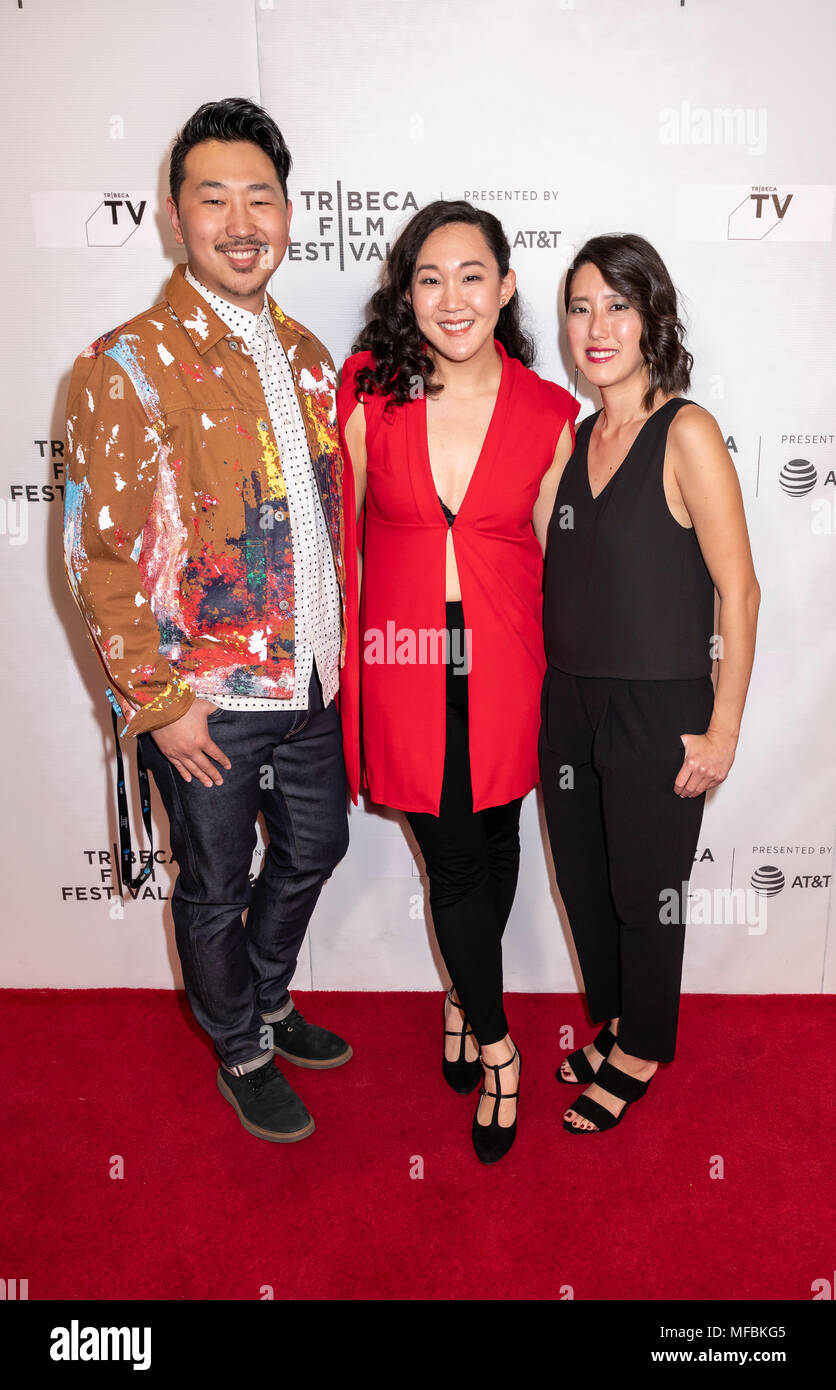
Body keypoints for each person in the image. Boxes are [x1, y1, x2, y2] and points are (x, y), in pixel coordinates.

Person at [63, 98, 360, 1145]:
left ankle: (267, 995)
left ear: (286, 211)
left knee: (316, 846)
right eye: (214, 198)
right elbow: (96, 557)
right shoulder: (127, 364)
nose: (242, 222)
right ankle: (239, 1044)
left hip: (311, 681)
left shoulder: (312, 356)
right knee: (212, 884)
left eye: (261, 197)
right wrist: (159, 702)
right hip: (207, 702)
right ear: (174, 215)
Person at [337, 200, 578, 1163]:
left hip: (509, 658)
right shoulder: (368, 391)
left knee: (499, 832)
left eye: (471, 275)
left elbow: (560, 560)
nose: (451, 297)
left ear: (506, 287)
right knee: (457, 859)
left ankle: (458, 998)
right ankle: (500, 1045)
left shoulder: (550, 414)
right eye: (429, 278)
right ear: (406, 292)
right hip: (401, 659)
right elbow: (341, 536)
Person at [539, 233, 760, 1133]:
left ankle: (641, 1046)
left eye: (617, 306)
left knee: (645, 889)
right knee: (587, 885)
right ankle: (619, 1019)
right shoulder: (579, 434)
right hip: (569, 703)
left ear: (651, 317)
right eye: (582, 306)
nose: (597, 326)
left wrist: (726, 727)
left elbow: (738, 588)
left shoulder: (687, 430)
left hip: (659, 705)